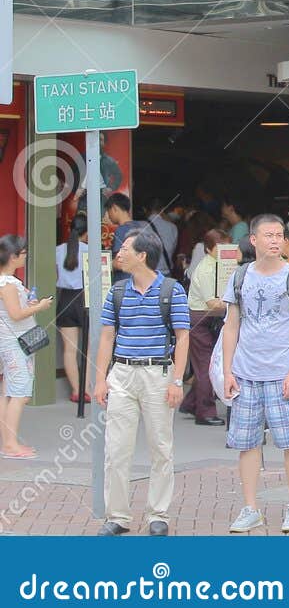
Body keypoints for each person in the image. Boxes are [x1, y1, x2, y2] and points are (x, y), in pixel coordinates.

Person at [92, 225, 191, 535]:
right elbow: (106, 337)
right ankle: (117, 517)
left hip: (157, 374)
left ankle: (157, 514)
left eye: (125, 249)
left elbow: (183, 336)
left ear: (142, 256)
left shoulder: (171, 290)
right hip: (121, 373)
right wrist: (100, 379)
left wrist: (177, 381)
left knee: (161, 447)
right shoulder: (117, 291)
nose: (118, 253)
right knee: (116, 449)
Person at [220, 214, 289, 533]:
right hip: (245, 373)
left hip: (281, 372)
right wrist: (228, 371)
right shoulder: (239, 277)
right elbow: (231, 325)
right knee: (247, 444)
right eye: (269, 235)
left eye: (280, 235)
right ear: (253, 240)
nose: (276, 240)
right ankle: (250, 507)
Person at [0, 235, 49, 459]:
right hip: (14, 344)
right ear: (13, 257)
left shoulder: (8, 281)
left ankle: (9, 442)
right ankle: (10, 445)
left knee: (9, 394)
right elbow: (16, 315)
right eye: (23, 252)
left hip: (10, 342)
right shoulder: (8, 284)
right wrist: (39, 307)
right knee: (19, 393)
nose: (25, 255)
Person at [181, 227, 229, 426]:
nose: (227, 250)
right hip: (201, 318)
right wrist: (236, 302)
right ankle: (205, 412)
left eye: (229, 246)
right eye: (221, 247)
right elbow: (212, 303)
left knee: (208, 362)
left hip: (211, 318)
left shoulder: (221, 265)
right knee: (206, 365)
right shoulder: (208, 268)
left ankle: (191, 403)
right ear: (209, 249)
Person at [55, 218, 89, 402]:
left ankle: (77, 391)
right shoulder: (90, 251)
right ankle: (88, 389)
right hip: (85, 298)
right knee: (91, 348)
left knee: (70, 349)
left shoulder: (58, 250)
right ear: (87, 233)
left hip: (66, 299)